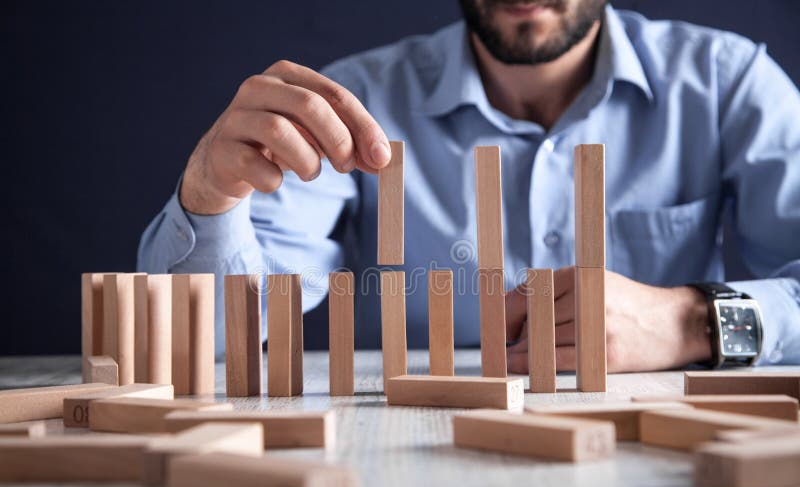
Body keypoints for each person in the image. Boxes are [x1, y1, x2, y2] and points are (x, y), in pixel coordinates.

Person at [138, 0, 800, 371]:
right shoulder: (357, 98)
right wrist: (212, 198)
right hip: (410, 459)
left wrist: (693, 321)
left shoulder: (728, 81)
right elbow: (202, 343)